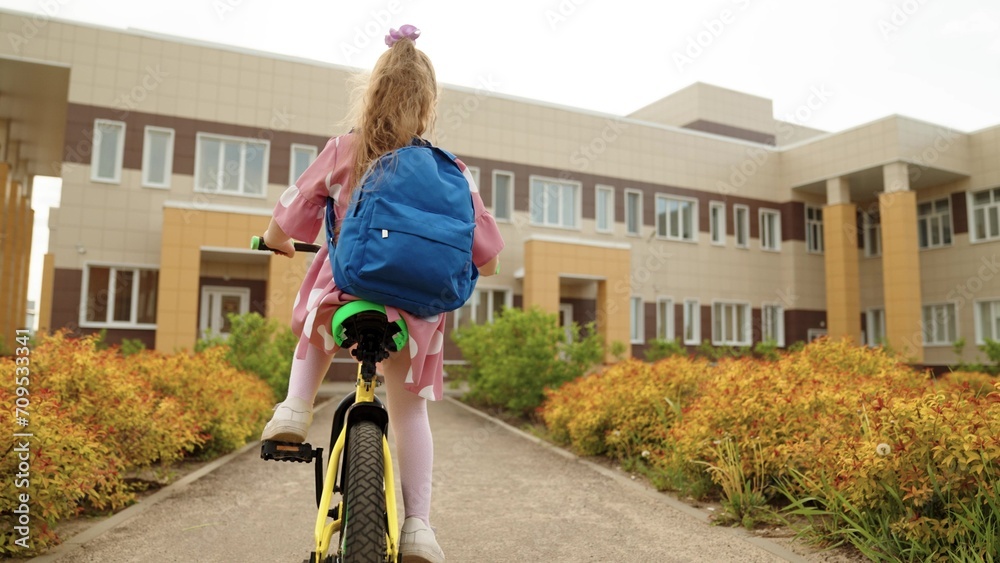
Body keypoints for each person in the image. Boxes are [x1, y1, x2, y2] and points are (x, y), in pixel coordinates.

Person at [259, 24, 504, 563]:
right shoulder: (455, 172)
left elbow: (289, 217)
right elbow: (487, 251)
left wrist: (277, 243)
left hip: (346, 297)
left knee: (318, 315)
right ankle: (418, 528)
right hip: (416, 318)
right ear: (429, 105)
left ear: (372, 94)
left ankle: (296, 410)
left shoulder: (345, 149)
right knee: (410, 413)